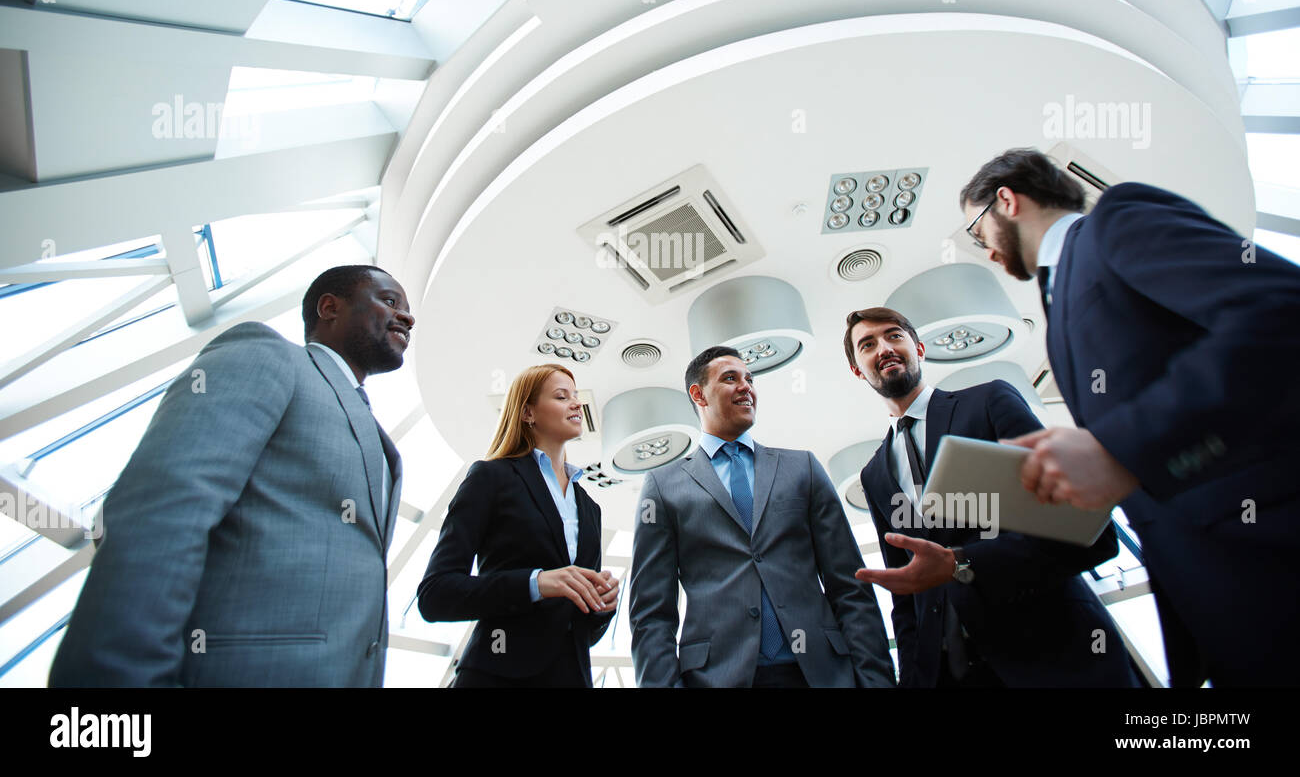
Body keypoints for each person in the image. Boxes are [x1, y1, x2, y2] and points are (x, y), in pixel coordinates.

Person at [960, 148, 1300, 686]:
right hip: (1217, 593)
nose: (988, 254)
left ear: (1006, 200)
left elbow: (1279, 311)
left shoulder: (1117, 219)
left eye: (979, 234)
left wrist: (1119, 447)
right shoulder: (1058, 307)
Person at [49, 264, 413, 686]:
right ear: (329, 307)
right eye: (390, 301)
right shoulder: (267, 355)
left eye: (407, 308)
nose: (407, 316)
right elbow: (163, 509)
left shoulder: (383, 444)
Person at [844, 307, 1139, 687]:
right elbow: (907, 598)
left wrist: (960, 562)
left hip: (1052, 651)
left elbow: (1083, 532)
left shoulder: (987, 403)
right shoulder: (874, 475)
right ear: (857, 369)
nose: (883, 348)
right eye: (867, 344)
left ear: (918, 348)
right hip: (952, 674)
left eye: (894, 336)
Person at [629, 346, 894, 687]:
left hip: (821, 674)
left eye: (750, 379)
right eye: (730, 378)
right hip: (716, 678)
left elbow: (850, 586)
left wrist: (876, 681)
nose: (746, 387)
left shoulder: (803, 469)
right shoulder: (663, 486)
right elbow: (651, 613)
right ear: (698, 394)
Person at [418, 364, 616, 687]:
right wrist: (536, 583)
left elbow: (584, 633)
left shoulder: (590, 509)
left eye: (576, 396)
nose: (576, 403)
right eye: (562, 396)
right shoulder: (490, 478)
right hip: (497, 675)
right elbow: (435, 595)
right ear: (528, 413)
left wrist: (602, 606)